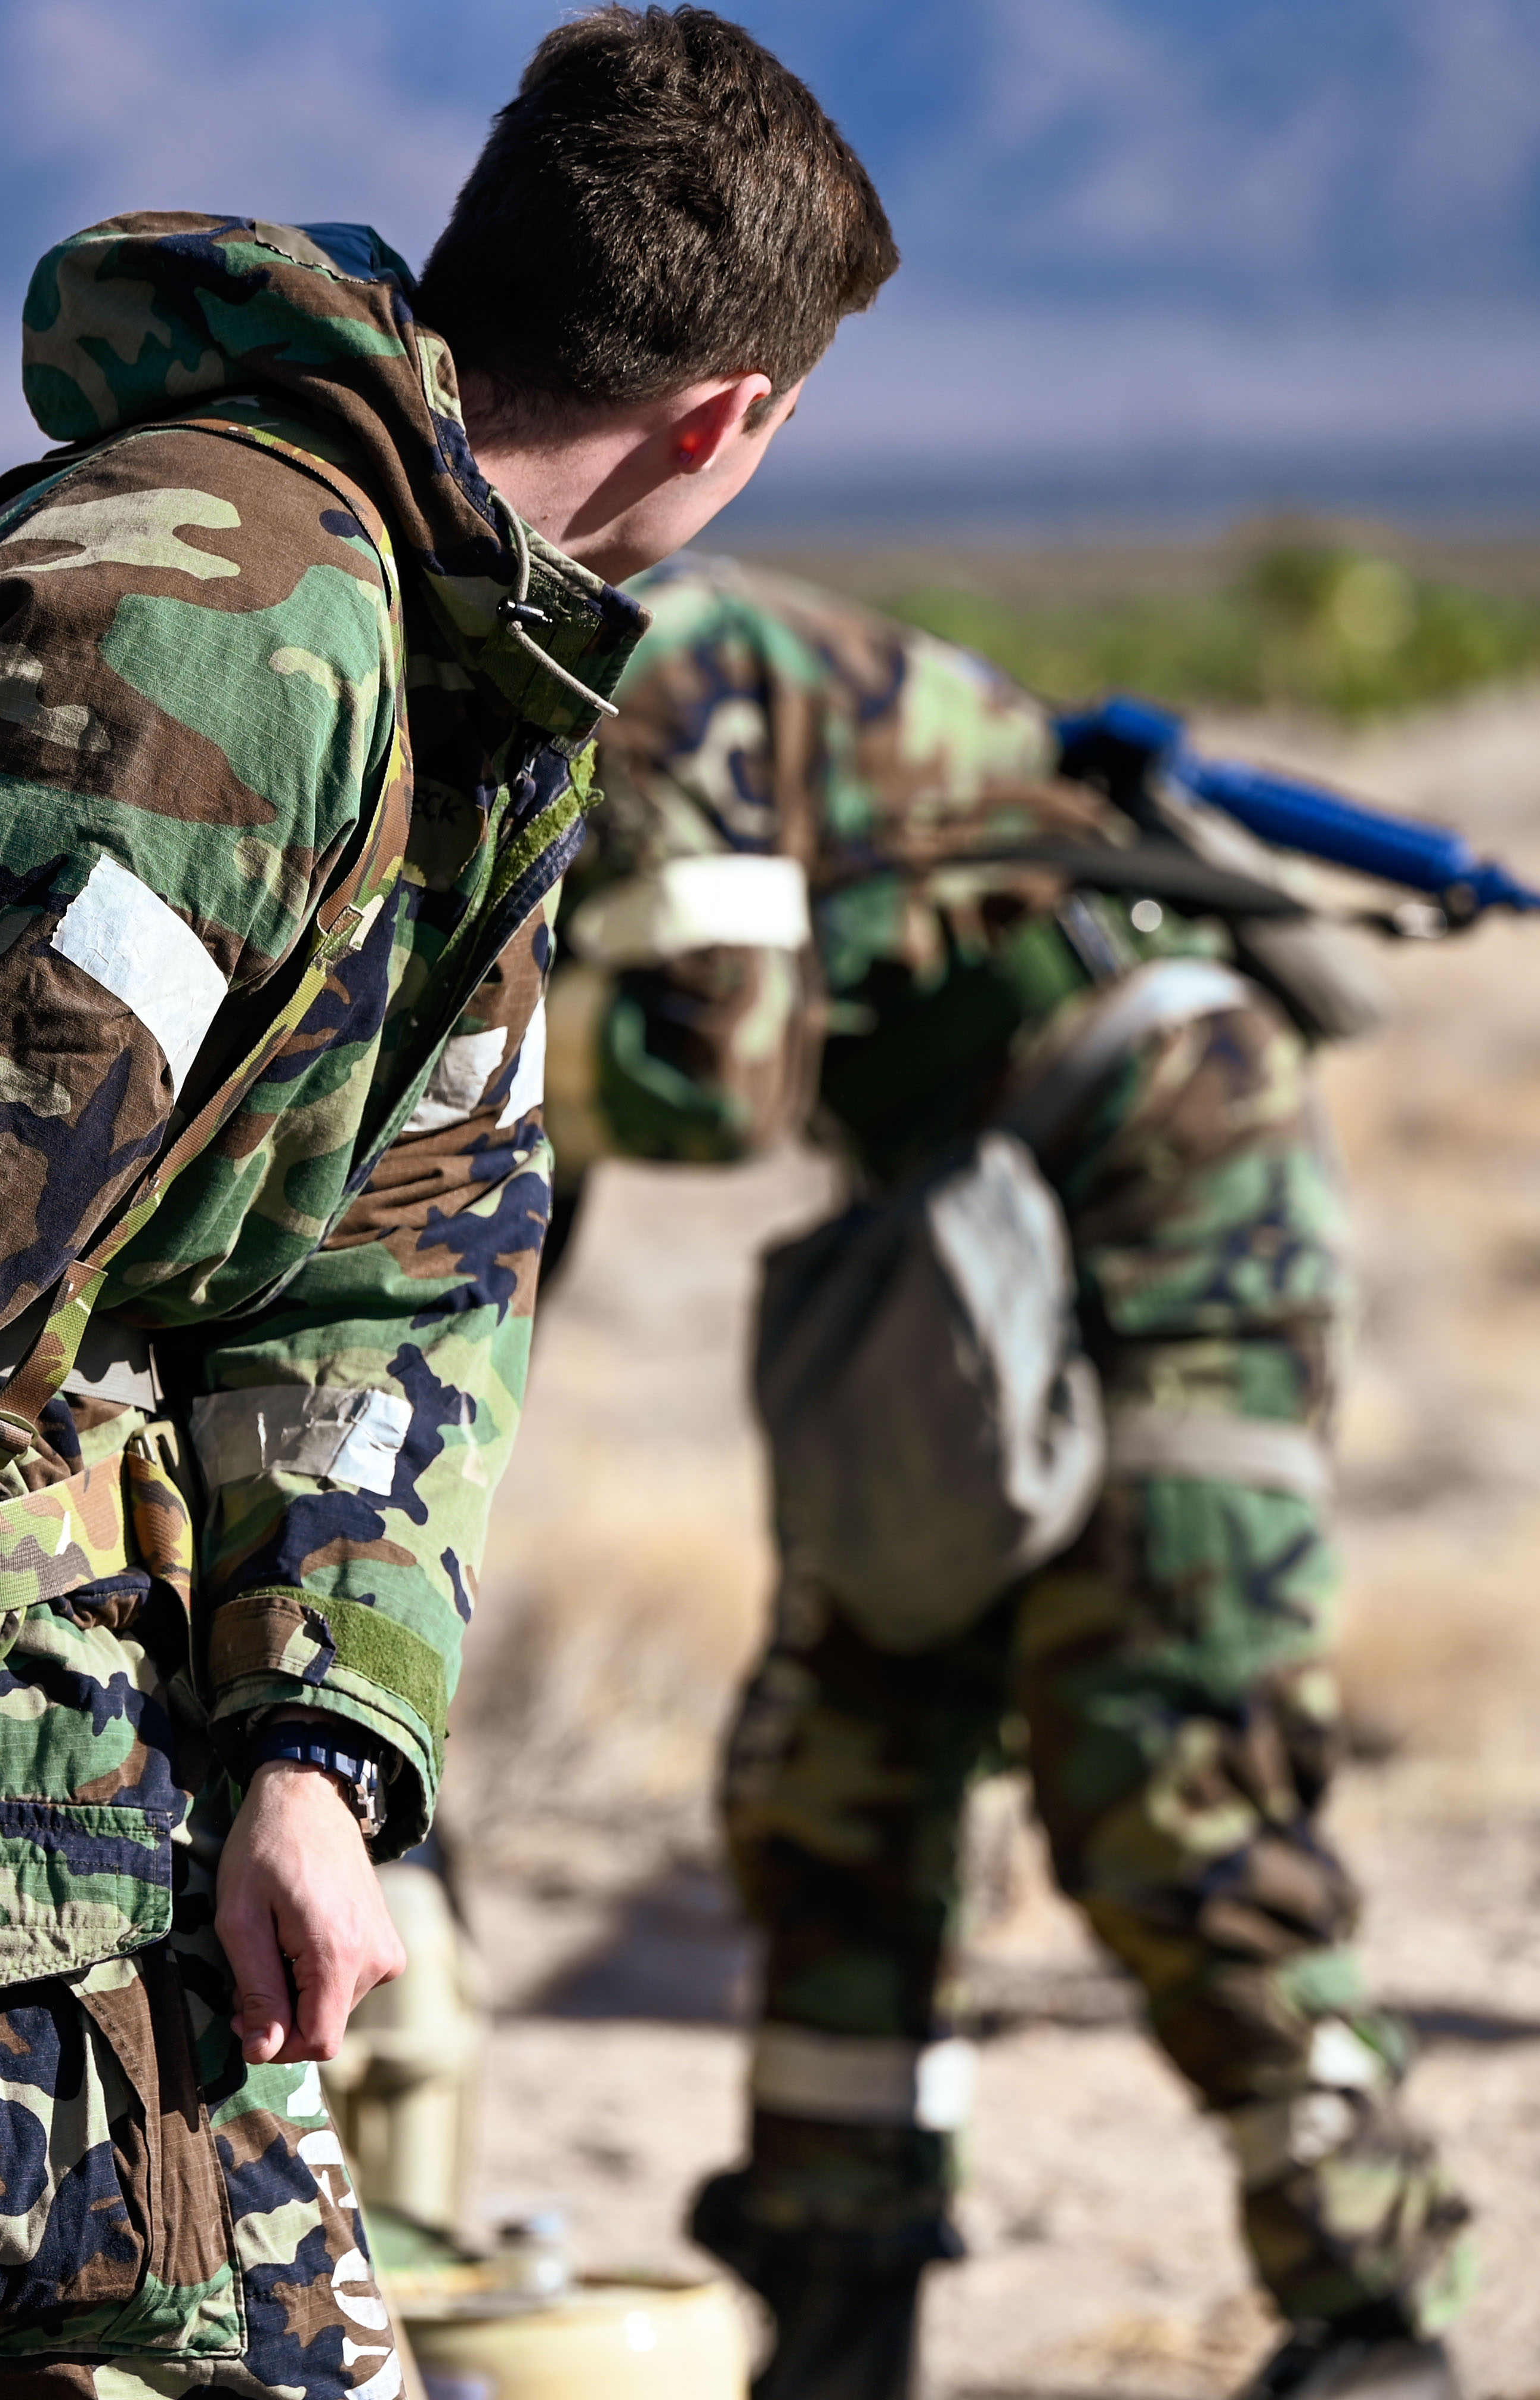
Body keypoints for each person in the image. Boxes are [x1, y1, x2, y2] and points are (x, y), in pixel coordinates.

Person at [0, 13, 899, 2395]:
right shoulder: (202, 640)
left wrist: (313, 1754)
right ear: (726, 416)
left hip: (87, 1755)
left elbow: (404, 1251)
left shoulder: (458, 664)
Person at [559, 557, 1476, 2400]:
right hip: (949, 1208)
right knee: (840, 1781)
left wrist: (481, 1062)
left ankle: (1372, 2325)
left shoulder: (646, 666)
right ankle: (836, 2311)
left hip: (1163, 1167)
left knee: (1163, 1773)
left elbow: (718, 1082)